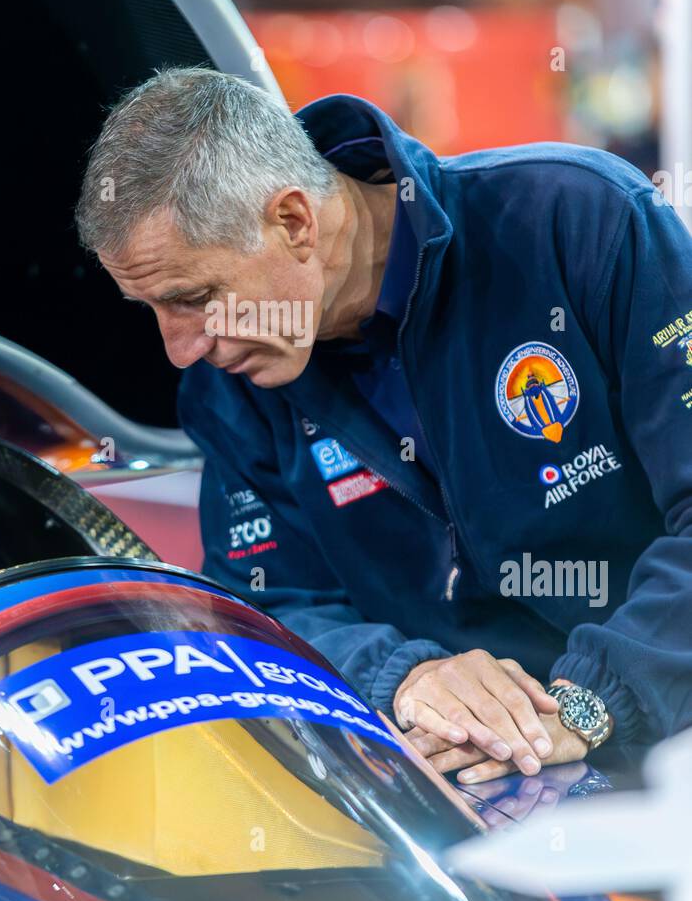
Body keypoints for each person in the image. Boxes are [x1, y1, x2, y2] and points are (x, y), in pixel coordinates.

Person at [76, 65, 692, 784]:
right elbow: (267, 607)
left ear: (294, 222)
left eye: (194, 297)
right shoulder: (229, 390)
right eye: (150, 308)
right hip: (488, 792)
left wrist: (593, 697)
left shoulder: (577, 221)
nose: (181, 347)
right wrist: (405, 678)